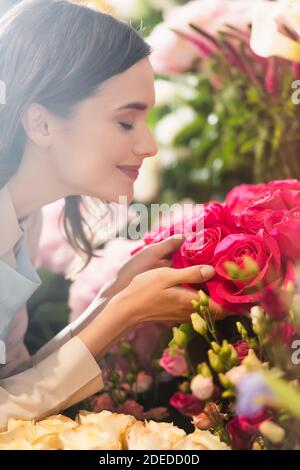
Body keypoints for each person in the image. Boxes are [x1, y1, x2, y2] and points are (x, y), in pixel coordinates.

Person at [0, 0, 216, 430]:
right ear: (40, 124)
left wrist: (111, 299)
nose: (150, 145)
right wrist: (124, 314)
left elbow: (14, 386)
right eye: (125, 122)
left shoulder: (25, 219)